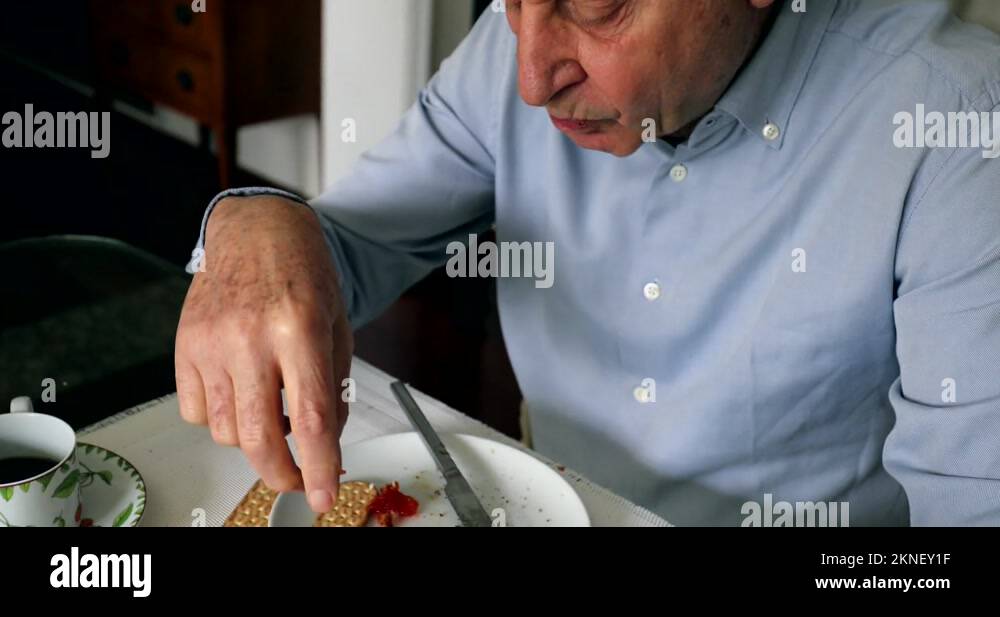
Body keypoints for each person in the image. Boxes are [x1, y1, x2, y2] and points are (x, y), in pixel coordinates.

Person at [174, 0, 1000, 525]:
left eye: (599, 9)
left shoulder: (954, 126)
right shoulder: (516, 52)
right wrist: (259, 222)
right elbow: (342, 253)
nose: (534, 79)